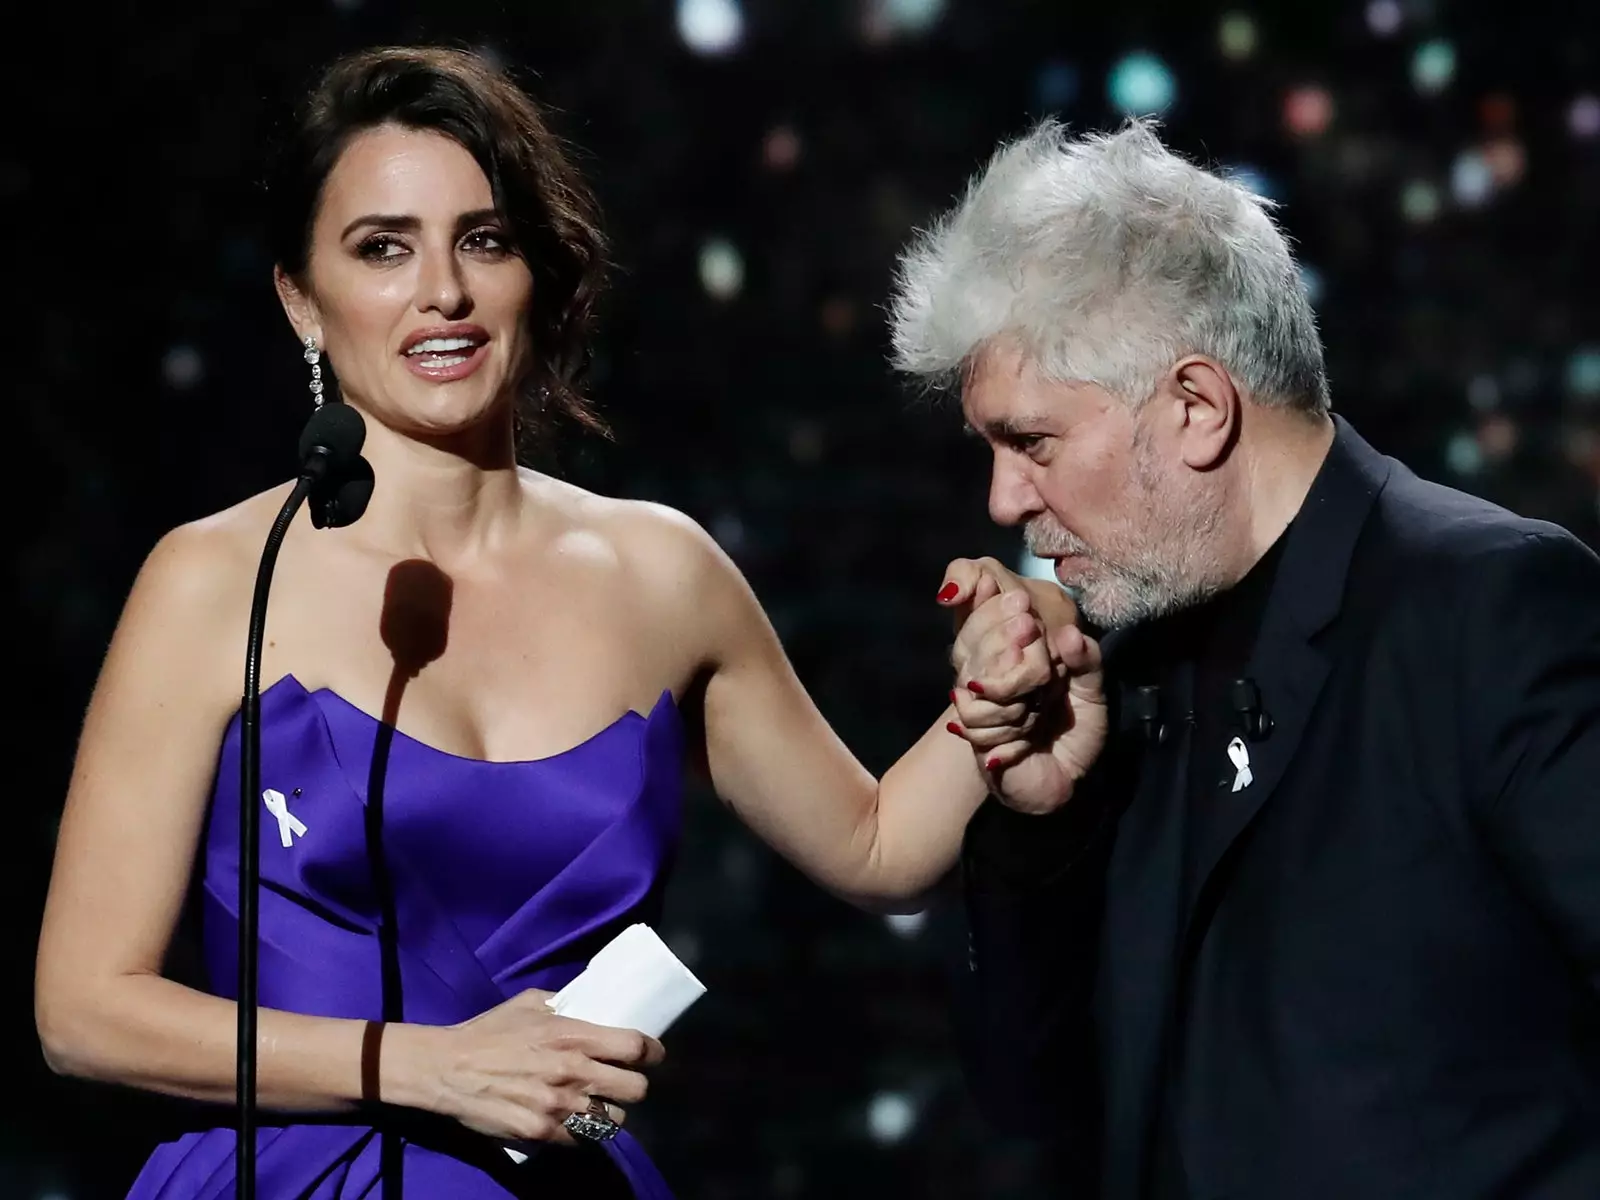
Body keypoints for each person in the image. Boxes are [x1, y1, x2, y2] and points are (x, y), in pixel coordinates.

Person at [32, 46, 1063, 1199]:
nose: (443, 292)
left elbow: (879, 850)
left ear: (537, 270)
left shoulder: (659, 570)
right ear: (300, 299)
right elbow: (83, 1013)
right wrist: (428, 1068)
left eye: (484, 239)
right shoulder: (220, 579)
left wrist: (1017, 673)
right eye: (383, 248)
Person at [897, 120, 1600, 1199]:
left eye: (1030, 443)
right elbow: (1027, 1099)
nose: (1003, 501)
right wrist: (1043, 825)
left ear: (1194, 407)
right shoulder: (1107, 674)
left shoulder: (1493, 608)